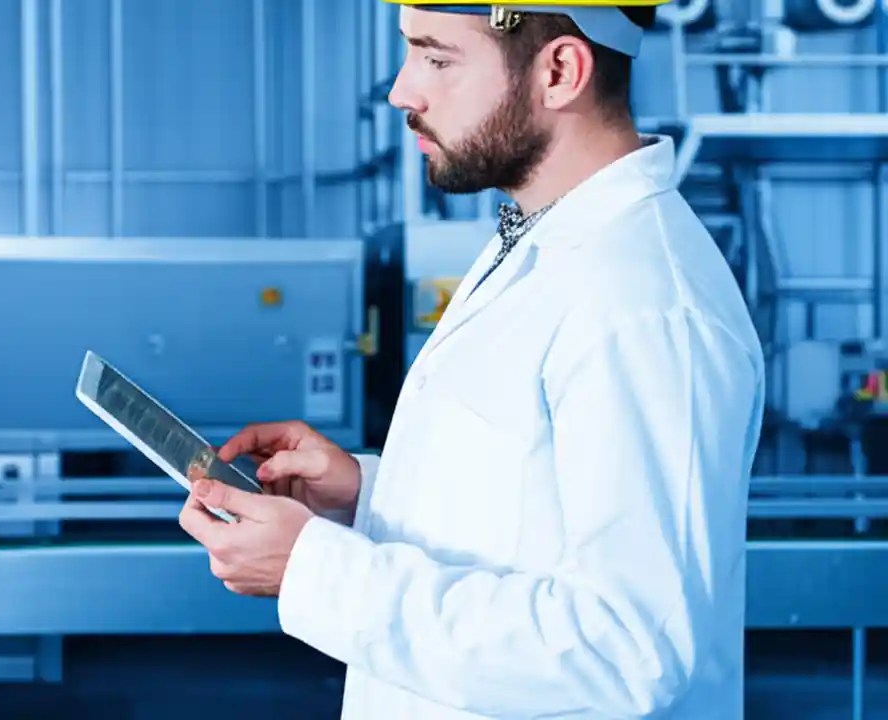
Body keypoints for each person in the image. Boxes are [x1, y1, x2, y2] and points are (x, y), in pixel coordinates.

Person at [178, 1, 766, 717]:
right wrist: (365, 496)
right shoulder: (538, 242)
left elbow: (624, 649)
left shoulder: (643, 306)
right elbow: (532, 509)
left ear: (559, 71)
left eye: (437, 58)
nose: (401, 90)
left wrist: (316, 572)